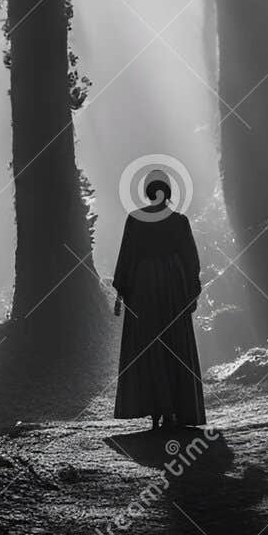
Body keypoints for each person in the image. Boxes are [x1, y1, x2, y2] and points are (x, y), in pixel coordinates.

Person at [111, 174, 206, 429]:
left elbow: (127, 257)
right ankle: (174, 410)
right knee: (175, 343)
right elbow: (190, 259)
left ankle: (154, 409)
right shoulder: (179, 221)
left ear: (147, 193)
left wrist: (123, 291)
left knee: (149, 344)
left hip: (143, 287)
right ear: (168, 192)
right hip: (173, 285)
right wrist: (191, 290)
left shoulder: (135, 220)